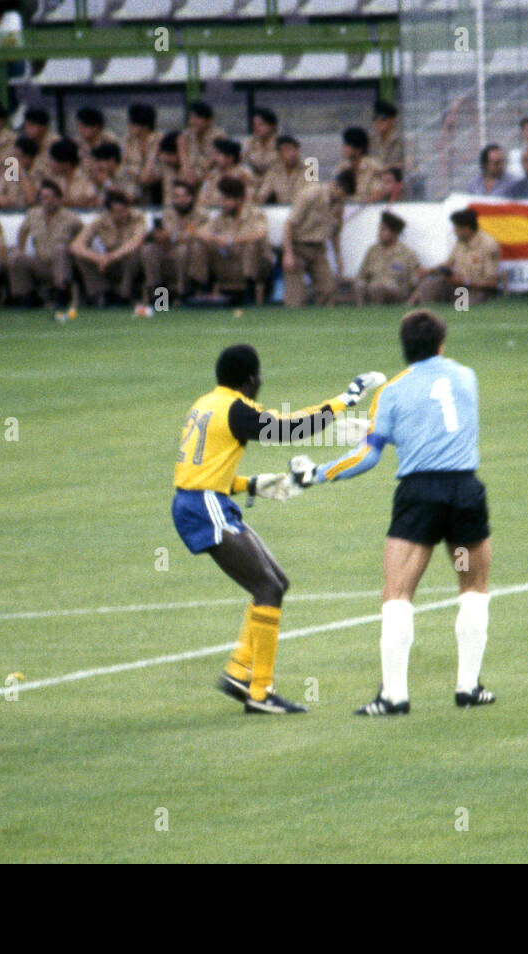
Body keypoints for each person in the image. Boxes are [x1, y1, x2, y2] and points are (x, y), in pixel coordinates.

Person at [290, 310, 495, 716]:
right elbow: (441, 427)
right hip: (466, 490)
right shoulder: (466, 377)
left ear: (404, 349)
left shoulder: (393, 392)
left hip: (419, 494)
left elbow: (368, 456)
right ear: (441, 343)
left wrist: (315, 474)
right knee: (473, 588)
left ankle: (394, 697)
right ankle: (468, 689)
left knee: (397, 594)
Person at [173, 344, 384, 714]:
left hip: (204, 502)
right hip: (204, 506)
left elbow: (202, 469)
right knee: (267, 586)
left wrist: (252, 485)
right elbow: (291, 429)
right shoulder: (235, 408)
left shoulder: (205, 404)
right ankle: (259, 693)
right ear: (251, 379)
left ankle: (240, 671)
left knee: (277, 583)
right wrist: (346, 399)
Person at [65, 189, 147, 315]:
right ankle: (101, 294)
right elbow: (76, 245)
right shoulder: (100, 220)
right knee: (80, 256)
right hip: (107, 265)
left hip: (127, 264)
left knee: (135, 254)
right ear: (109, 212)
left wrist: (111, 257)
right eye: (118, 212)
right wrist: (97, 258)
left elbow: (136, 242)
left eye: (124, 210)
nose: (122, 215)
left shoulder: (137, 218)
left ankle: (125, 293)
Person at [7, 178, 83, 314]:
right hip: (41, 263)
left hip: (62, 265)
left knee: (60, 249)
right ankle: (24, 297)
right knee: (16, 257)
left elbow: (82, 238)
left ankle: (61, 295)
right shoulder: (33, 214)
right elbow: (23, 231)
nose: (48, 201)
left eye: (51, 197)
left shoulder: (72, 218)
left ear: (59, 199)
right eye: (44, 198)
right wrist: (20, 248)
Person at [282, 169, 353, 307]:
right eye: (342, 194)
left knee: (328, 290)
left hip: (319, 250)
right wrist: (288, 254)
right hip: (298, 247)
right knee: (295, 298)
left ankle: (324, 326)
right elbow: (288, 224)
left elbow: (335, 232)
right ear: (335, 185)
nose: (342, 199)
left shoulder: (339, 203)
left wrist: (338, 258)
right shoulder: (311, 194)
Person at [198, 177, 270, 303]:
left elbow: (260, 234)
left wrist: (232, 240)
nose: (222, 203)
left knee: (250, 246)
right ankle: (201, 290)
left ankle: (249, 294)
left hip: (258, 263)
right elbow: (201, 231)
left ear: (238, 199)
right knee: (202, 245)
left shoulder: (255, 213)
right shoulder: (222, 216)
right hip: (230, 261)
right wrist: (214, 239)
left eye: (226, 199)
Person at [410, 207, 502, 305]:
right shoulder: (460, 242)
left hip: (475, 289)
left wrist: (465, 282)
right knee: (429, 285)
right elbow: (448, 264)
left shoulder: (489, 245)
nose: (455, 232)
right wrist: (428, 271)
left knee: (461, 304)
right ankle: (419, 307)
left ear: (467, 229)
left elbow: (492, 283)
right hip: (455, 285)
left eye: (457, 229)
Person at [142, 180, 208, 303]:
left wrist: (171, 238)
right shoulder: (167, 214)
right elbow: (161, 235)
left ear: (191, 197)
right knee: (149, 250)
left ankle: (183, 293)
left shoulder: (201, 215)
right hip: (168, 250)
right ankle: (159, 297)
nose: (181, 200)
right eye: (177, 197)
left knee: (182, 251)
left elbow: (193, 235)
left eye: (184, 196)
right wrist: (162, 237)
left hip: (190, 255)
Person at [354, 211, 421, 305]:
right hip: (373, 287)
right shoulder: (373, 251)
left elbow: (414, 281)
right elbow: (361, 275)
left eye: (383, 230)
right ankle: (361, 313)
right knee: (360, 285)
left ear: (394, 233)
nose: (379, 233)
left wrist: (411, 300)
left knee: (377, 287)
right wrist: (360, 282)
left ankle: (378, 313)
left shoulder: (407, 254)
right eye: (379, 230)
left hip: (397, 291)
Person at [199, 138, 255, 208]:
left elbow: (248, 200)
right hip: (212, 212)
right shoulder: (212, 174)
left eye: (218, 154)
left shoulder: (244, 174)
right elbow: (202, 199)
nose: (214, 158)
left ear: (230, 158)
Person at [254, 135, 310, 205]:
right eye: (286, 151)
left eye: (293, 150)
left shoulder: (309, 167)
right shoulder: (274, 171)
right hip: (282, 210)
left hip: (304, 209)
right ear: (279, 154)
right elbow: (263, 193)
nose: (291, 154)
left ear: (297, 150)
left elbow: (314, 193)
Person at [121, 103, 160, 204]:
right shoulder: (127, 140)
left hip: (156, 187)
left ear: (144, 126)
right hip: (133, 187)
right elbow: (124, 166)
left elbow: (151, 175)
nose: (129, 126)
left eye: (132, 123)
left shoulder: (159, 140)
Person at [336, 127, 386, 203]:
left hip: (369, 210)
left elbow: (377, 194)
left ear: (358, 149)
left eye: (347, 145)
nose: (344, 148)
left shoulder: (374, 167)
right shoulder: (342, 168)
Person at [0, 135, 40, 210]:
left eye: (18, 156)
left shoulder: (38, 174)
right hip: (9, 212)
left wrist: (22, 173)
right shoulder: (9, 173)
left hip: (29, 214)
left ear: (28, 158)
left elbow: (32, 200)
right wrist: (0, 199)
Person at [241, 107, 279, 177]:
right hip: (253, 180)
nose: (256, 128)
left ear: (272, 126)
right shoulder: (249, 141)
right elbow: (240, 162)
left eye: (261, 124)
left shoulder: (281, 143)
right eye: (254, 124)